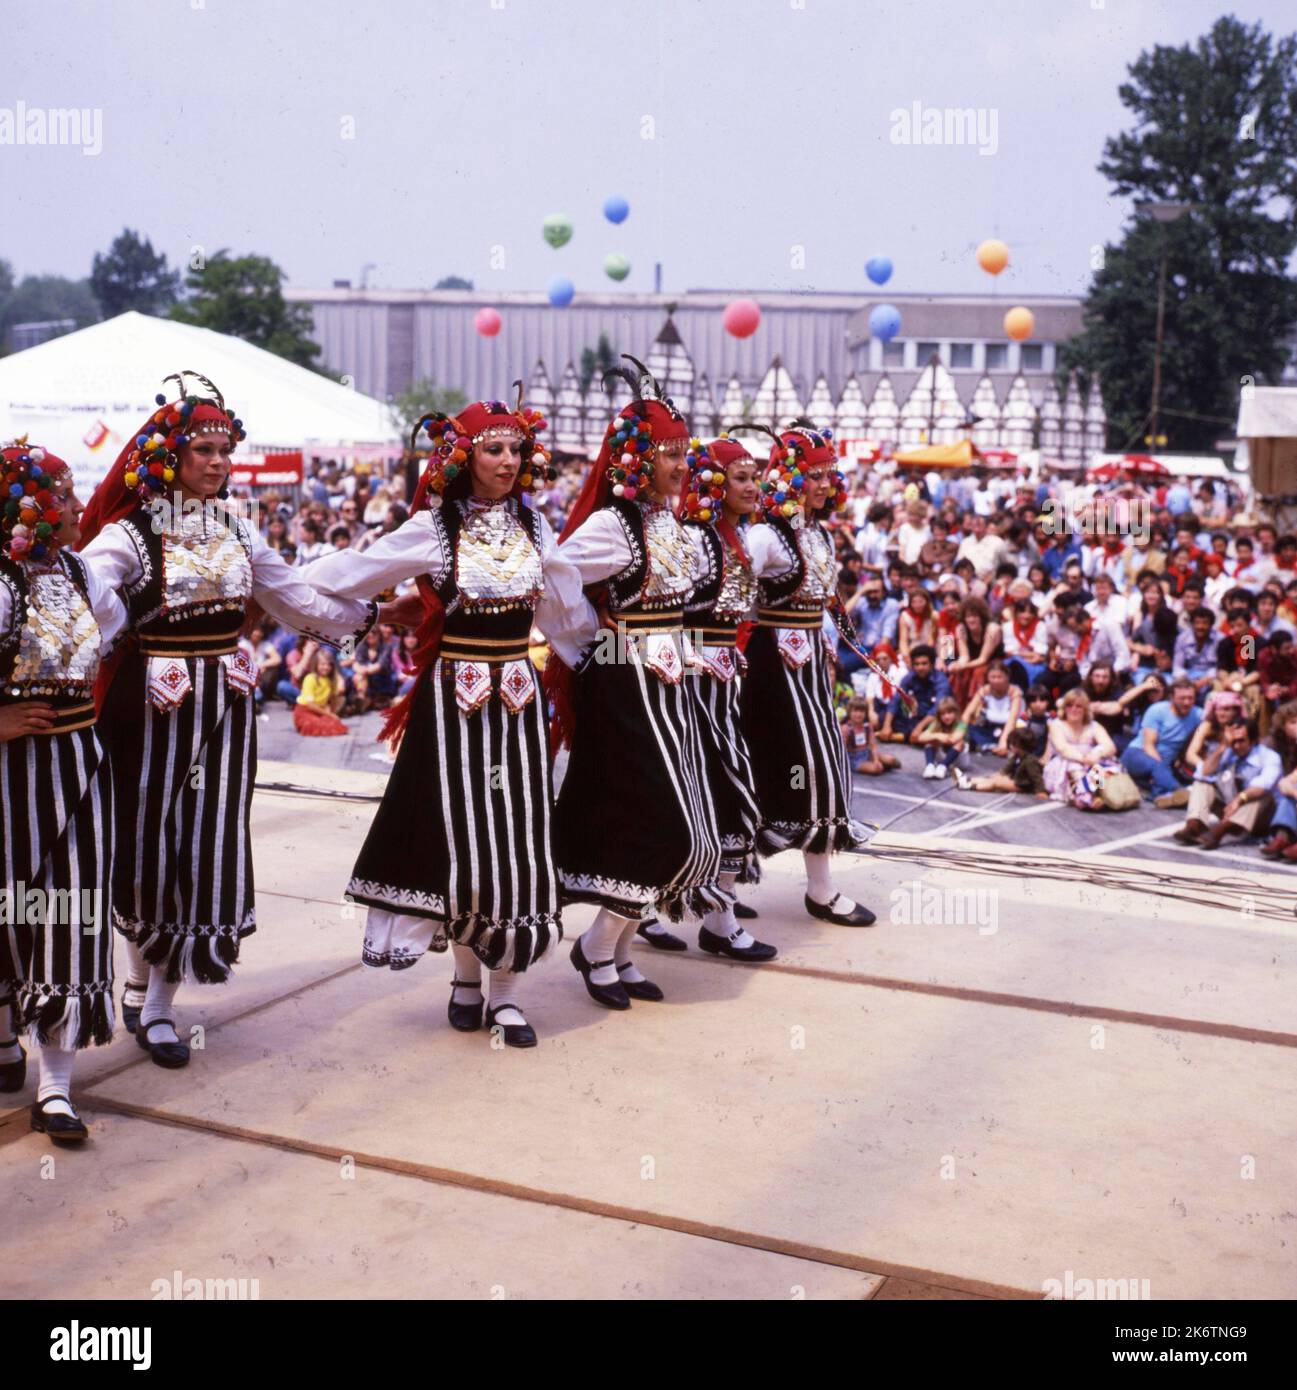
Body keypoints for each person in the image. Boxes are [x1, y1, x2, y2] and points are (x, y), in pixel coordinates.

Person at [77, 374, 378, 1069]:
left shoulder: (238, 529)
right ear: (165, 456)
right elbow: (86, 588)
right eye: (201, 449)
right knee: (146, 841)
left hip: (222, 710)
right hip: (150, 710)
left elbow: (292, 594)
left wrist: (364, 615)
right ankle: (136, 976)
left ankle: (158, 1007)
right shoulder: (131, 532)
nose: (217, 462)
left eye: (223, 449)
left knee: (206, 844)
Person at [303, 393, 587, 1046]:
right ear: (463, 458)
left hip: (515, 706)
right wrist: (371, 615)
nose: (509, 460)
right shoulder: (435, 530)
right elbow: (342, 574)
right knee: (461, 843)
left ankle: (507, 996)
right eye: (494, 449)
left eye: (516, 448)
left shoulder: (535, 527)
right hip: (453, 708)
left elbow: (566, 612)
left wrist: (605, 666)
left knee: (514, 842)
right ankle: (465, 979)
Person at [546, 357, 733, 1006]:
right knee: (659, 820)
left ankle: (616, 950)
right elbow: (552, 575)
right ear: (636, 460)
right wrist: (580, 648)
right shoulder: (611, 525)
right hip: (626, 688)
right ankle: (597, 947)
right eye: (666, 455)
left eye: (684, 454)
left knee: (681, 823)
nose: (680, 466)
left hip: (670, 686)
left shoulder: (669, 524)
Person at [0, 442, 126, 1143]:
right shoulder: (1, 584)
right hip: (10, 773)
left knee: (71, 914)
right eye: (65, 497)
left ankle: (56, 1087)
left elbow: (109, 632)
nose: (79, 507)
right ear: (30, 511)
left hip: (78, 768)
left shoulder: (80, 573)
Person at [741, 418, 875, 926]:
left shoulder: (818, 534)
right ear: (791, 477)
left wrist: (828, 640)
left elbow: (820, 602)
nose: (824, 484)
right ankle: (729, 898)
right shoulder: (765, 537)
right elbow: (733, 595)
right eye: (814, 475)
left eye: (828, 474)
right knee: (779, 766)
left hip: (809, 668)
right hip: (770, 669)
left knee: (820, 764)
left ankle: (817, 888)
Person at [675, 433, 777, 961]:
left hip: (721, 689)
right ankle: (708, 918)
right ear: (712, 484)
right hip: (689, 693)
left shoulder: (737, 539)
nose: (753, 486)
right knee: (711, 797)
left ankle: (718, 915)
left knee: (726, 796)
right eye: (741, 477)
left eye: (756, 477)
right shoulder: (692, 541)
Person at [1174, 717, 1280, 850]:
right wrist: (1223, 747)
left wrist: (1240, 799)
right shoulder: (1228, 750)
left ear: (1253, 741)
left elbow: (1264, 784)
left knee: (1263, 796)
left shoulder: (1269, 757)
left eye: (1241, 741)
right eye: (1233, 741)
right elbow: (1203, 773)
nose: (1236, 746)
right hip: (1229, 809)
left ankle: (1218, 832)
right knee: (1202, 783)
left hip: (1260, 817)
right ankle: (1193, 825)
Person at [1119, 677, 1202, 806]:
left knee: (1160, 778)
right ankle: (1179, 791)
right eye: (1182, 698)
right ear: (1172, 698)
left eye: (1190, 698)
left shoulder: (1197, 714)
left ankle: (1162, 796)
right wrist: (1162, 769)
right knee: (1160, 770)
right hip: (1138, 754)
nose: (1186, 702)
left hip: (1164, 765)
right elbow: (1148, 746)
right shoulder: (1157, 710)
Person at [1042, 688, 1121, 810]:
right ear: (1064, 708)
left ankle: (1098, 794)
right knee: (1073, 765)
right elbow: (1063, 749)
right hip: (1065, 764)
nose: (1074, 709)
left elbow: (1110, 746)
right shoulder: (1057, 724)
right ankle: (1084, 796)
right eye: (1069, 705)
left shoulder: (1094, 726)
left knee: (1099, 765)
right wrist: (1083, 758)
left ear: (1085, 709)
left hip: (1089, 762)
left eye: (1079, 706)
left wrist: (1097, 754)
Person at [954, 726, 1047, 796]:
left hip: (1023, 786)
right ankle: (967, 780)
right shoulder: (1017, 756)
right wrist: (1000, 773)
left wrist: (1041, 791)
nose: (1011, 746)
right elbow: (1008, 768)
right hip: (1016, 780)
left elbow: (1036, 777)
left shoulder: (1030, 761)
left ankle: (969, 786)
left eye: (1014, 744)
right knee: (993, 778)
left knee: (996, 783)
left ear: (1022, 746)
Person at [962, 661, 1022, 755]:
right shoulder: (984, 690)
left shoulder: (1014, 692)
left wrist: (1003, 742)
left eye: (999, 677)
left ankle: (995, 747)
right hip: (988, 728)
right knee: (971, 728)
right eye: (993, 677)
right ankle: (988, 746)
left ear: (1007, 677)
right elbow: (967, 713)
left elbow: (1012, 719)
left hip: (1007, 729)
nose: (996, 680)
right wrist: (959, 733)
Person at [292, 648, 349, 736]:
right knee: (315, 726)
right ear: (316, 665)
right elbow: (310, 705)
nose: (326, 667)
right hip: (305, 710)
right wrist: (329, 714)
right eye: (322, 664)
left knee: (334, 724)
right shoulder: (310, 678)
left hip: (319, 710)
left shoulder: (330, 680)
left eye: (329, 665)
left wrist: (330, 711)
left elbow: (331, 699)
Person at [914, 696, 967, 779]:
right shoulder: (936, 723)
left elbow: (953, 739)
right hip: (942, 755)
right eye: (943, 714)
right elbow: (920, 737)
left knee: (960, 743)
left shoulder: (961, 724)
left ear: (955, 713)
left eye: (949, 713)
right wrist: (937, 735)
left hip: (959, 759)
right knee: (930, 740)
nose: (946, 717)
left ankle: (943, 766)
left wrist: (938, 737)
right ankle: (930, 766)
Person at [841, 696, 896, 775]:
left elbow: (873, 746)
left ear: (865, 713)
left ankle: (881, 764)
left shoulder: (867, 726)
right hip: (854, 758)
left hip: (867, 753)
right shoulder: (846, 728)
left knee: (891, 760)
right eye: (855, 711)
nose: (858, 714)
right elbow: (842, 749)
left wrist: (876, 760)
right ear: (849, 712)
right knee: (876, 769)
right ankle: (879, 766)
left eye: (861, 711)